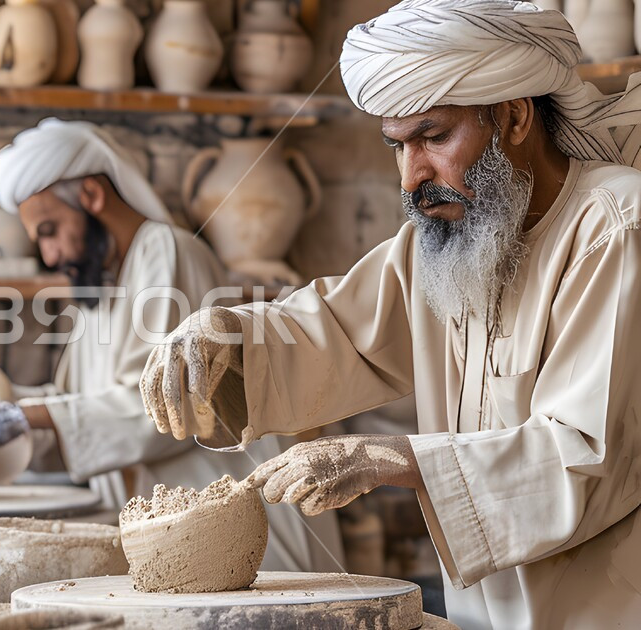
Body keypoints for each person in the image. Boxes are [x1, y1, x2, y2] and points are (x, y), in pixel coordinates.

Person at [140, 1, 641, 627]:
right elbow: (337, 334)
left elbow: (582, 455)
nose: (411, 177)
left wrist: (391, 459)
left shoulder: (615, 228)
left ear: (514, 117)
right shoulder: (445, 238)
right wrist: (222, 338)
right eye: (396, 145)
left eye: (434, 137)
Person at [0, 118, 343, 574]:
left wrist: (20, 415)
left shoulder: (166, 251)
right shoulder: (101, 285)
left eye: (49, 230)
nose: (49, 256)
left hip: (241, 532)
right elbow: (81, 407)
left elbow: (164, 407)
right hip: (179, 541)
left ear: (91, 195)